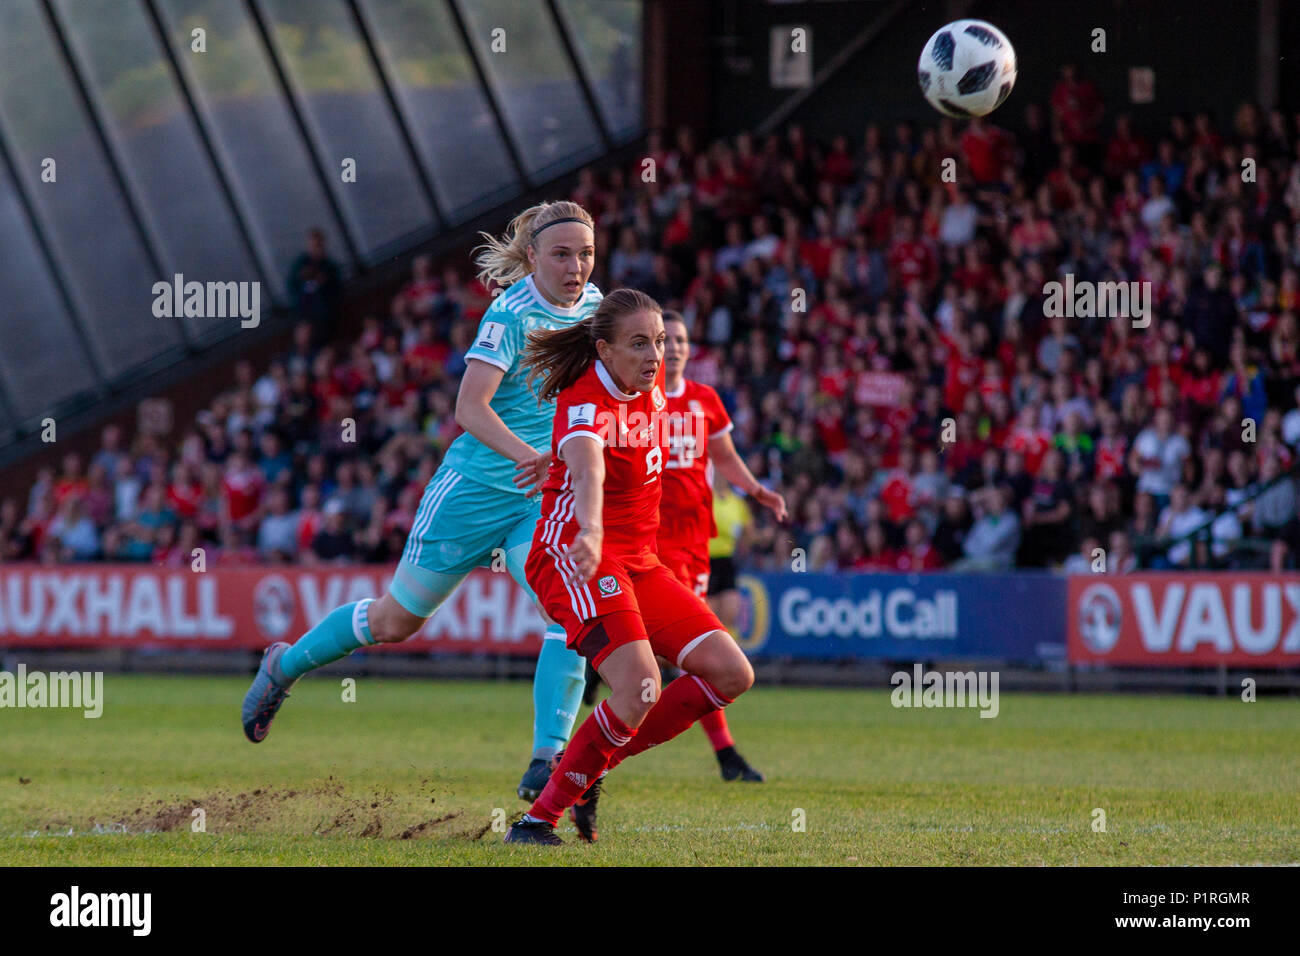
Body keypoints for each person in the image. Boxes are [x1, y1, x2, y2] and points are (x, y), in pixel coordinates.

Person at [242, 202, 602, 809]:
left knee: (566, 611)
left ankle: (547, 759)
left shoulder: (596, 309)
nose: (575, 266)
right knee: (395, 622)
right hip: (473, 492)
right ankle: (284, 665)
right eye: (562, 254)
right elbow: (469, 408)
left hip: (538, 501)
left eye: (585, 254)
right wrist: (528, 455)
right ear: (534, 256)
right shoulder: (509, 314)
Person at [505, 290, 755, 845]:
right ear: (604, 350)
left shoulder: (651, 388)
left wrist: (556, 454)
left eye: (661, 342)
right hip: (575, 554)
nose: (655, 355)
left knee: (732, 672)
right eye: (640, 343)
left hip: (641, 560)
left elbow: (592, 453)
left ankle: (587, 767)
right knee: (641, 686)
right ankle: (534, 823)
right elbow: (591, 467)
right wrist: (590, 528)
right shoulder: (586, 401)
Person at [656, 311, 786, 782]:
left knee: (691, 656)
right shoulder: (639, 400)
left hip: (696, 542)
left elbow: (726, 458)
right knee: (672, 658)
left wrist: (757, 492)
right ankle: (725, 754)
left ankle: (725, 756)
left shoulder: (704, 400)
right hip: (649, 541)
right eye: (664, 339)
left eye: (681, 340)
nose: (673, 347)